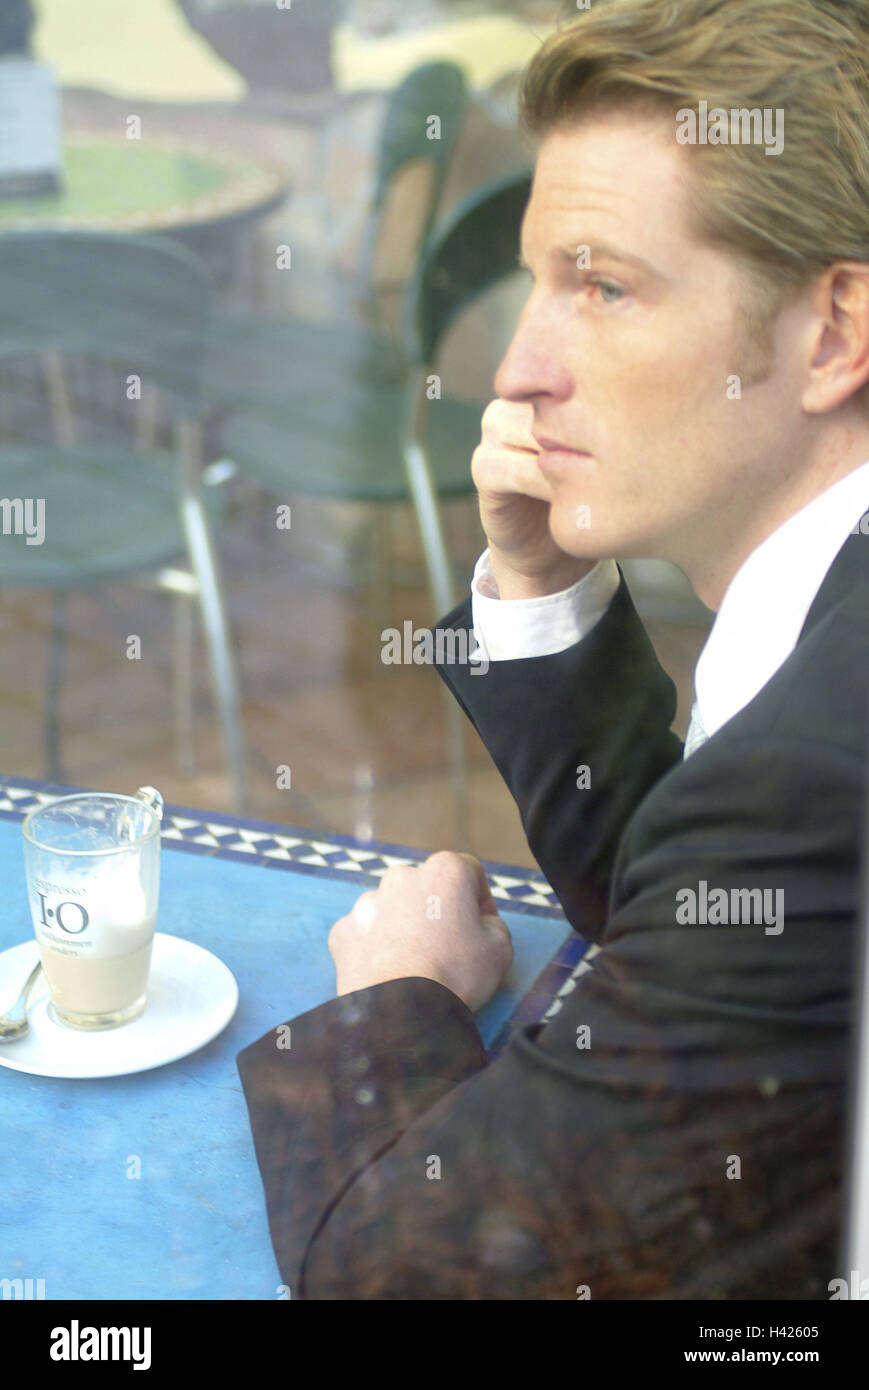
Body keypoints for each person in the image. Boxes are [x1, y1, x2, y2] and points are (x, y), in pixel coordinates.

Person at [236, 0, 869, 1298]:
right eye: (538, 281)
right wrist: (536, 570)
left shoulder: (812, 772)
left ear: (831, 334)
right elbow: (679, 913)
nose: (514, 367)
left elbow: (399, 1275)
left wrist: (396, 1003)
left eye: (604, 285)